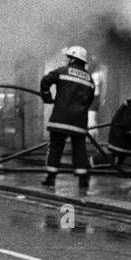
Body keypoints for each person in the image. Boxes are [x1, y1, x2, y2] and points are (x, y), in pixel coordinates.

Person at [40, 45, 96, 190]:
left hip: (60, 119)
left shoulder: (63, 71)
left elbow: (45, 80)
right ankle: (83, 180)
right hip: (79, 122)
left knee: (56, 148)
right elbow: (90, 99)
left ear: (72, 59)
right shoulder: (90, 79)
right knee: (79, 149)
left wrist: (47, 97)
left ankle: (51, 178)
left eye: (68, 58)